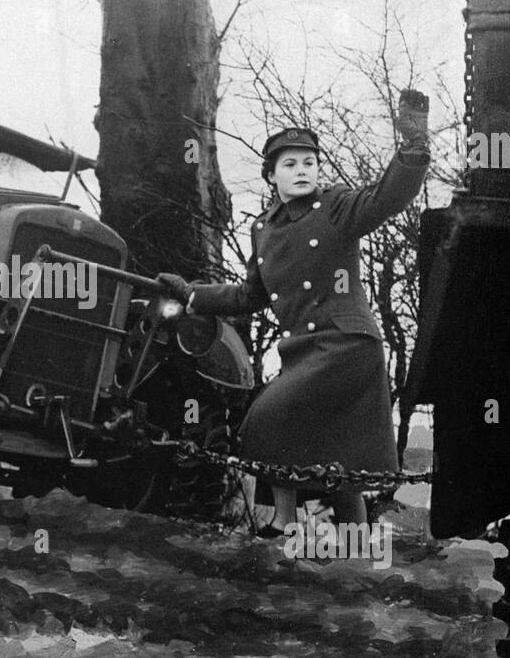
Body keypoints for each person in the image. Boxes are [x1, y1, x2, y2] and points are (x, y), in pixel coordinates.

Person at [157, 90, 430, 539]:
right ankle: (354, 543)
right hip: (303, 350)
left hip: (345, 345)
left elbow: (386, 198)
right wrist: (193, 295)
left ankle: (284, 522)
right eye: (290, 164)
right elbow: (249, 295)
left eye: (308, 163)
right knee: (333, 453)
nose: (301, 171)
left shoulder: (337, 207)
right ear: (271, 176)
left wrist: (413, 148)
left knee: (268, 418)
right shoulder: (263, 229)